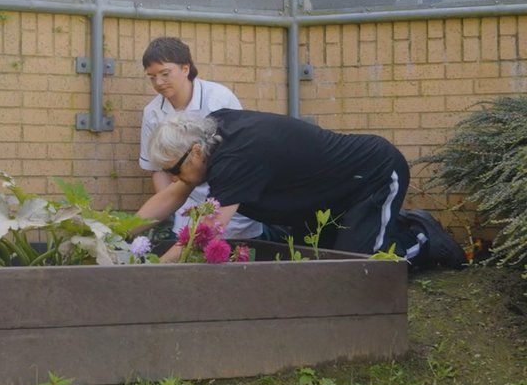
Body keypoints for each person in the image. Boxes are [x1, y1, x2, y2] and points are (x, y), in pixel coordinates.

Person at [138, 109, 466, 267]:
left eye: (174, 169)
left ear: (195, 151)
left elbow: (206, 233)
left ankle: (422, 239)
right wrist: (117, 233)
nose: (173, 177)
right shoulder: (208, 134)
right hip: (324, 197)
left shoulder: (235, 158)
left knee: (363, 267)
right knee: (319, 262)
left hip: (373, 175)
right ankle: (382, 227)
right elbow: (173, 194)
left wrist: (152, 273)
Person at [138, 37, 263, 239]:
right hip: (186, 206)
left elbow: (240, 159)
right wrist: (171, 210)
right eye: (152, 77)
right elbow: (157, 169)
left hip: (231, 204)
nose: (158, 82)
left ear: (185, 68)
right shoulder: (152, 113)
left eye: (165, 74)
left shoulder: (219, 99)